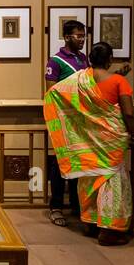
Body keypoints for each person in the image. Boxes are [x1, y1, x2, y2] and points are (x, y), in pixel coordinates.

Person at [43, 42, 134, 245]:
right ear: (110, 59)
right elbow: (129, 113)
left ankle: (90, 223)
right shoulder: (119, 82)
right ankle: (109, 230)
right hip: (110, 142)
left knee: (89, 180)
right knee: (111, 183)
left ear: (89, 59)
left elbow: (54, 92)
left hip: (88, 142)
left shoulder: (80, 79)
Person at [44, 19, 89, 227]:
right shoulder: (56, 61)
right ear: (67, 37)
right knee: (59, 163)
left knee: (78, 163)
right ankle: (55, 206)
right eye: (78, 36)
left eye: (83, 36)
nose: (81, 40)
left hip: (80, 121)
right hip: (62, 120)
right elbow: (51, 93)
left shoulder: (84, 59)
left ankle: (76, 204)